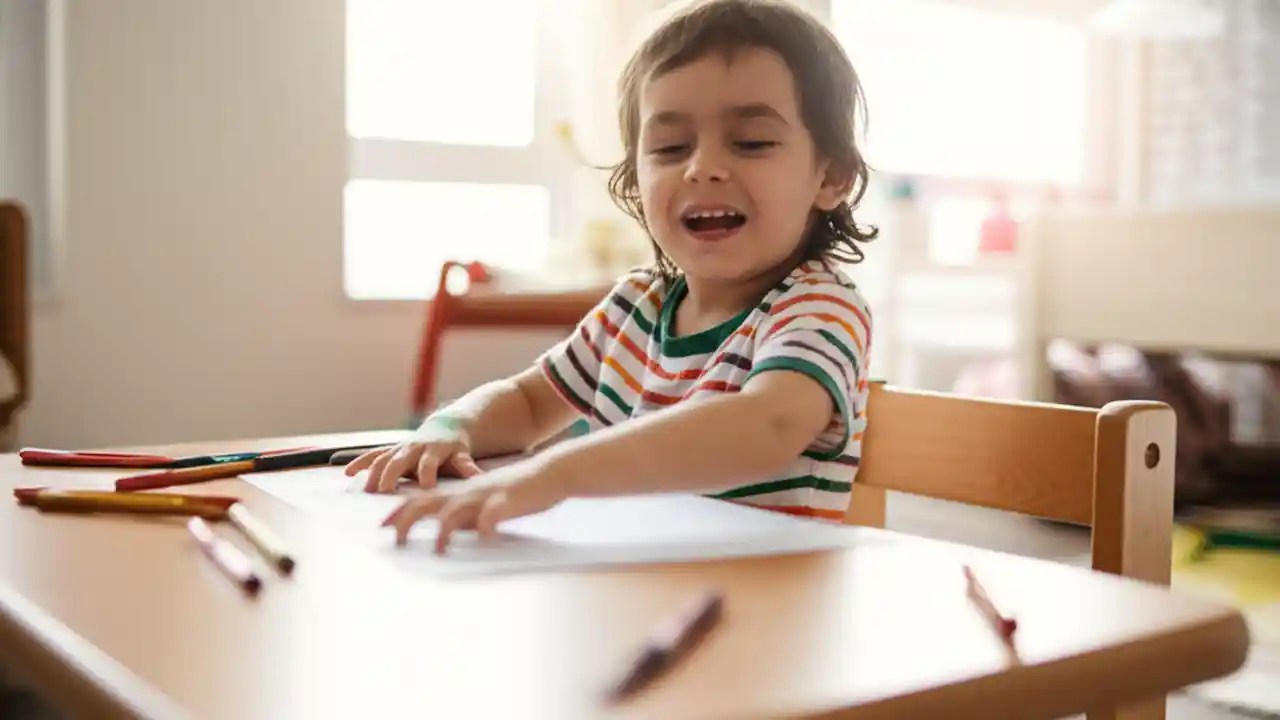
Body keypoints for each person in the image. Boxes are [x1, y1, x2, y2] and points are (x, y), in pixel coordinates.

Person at [346, 0, 877, 553]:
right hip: (627, 583)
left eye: (751, 142)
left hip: (766, 602)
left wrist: (556, 473)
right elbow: (529, 403)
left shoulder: (820, 306)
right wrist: (450, 428)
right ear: (635, 181)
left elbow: (766, 427)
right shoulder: (635, 306)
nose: (702, 167)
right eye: (670, 148)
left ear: (832, 176)